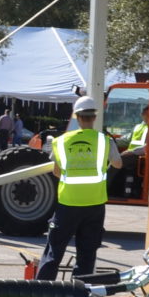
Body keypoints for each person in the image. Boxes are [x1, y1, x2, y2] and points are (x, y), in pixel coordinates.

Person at [37, 94, 117, 282]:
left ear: (77, 117)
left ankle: (40, 294)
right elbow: (118, 163)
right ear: (95, 117)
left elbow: (56, 172)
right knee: (87, 255)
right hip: (95, 205)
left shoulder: (62, 141)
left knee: (53, 252)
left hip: (68, 204)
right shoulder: (105, 141)